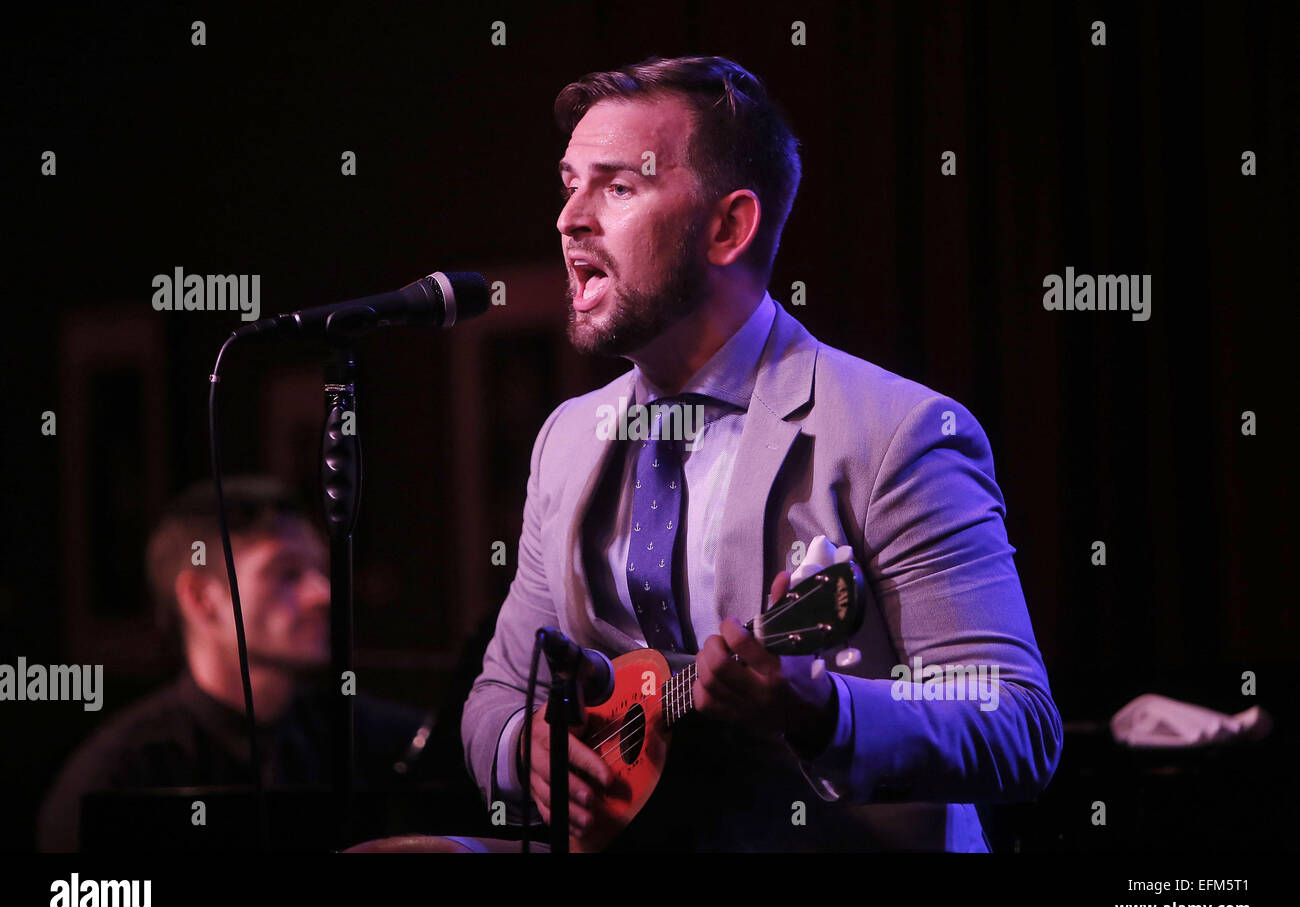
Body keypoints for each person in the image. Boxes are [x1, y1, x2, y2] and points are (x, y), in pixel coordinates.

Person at [461, 55, 1062, 851]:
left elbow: (1016, 722)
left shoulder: (899, 432)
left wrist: (824, 711)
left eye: (616, 187)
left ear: (728, 227)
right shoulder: (568, 438)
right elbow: (497, 694)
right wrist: (523, 749)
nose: (570, 217)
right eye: (568, 183)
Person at [38, 476, 431, 852]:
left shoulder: (367, 737)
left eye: (320, 571)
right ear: (200, 598)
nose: (323, 593)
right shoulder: (119, 777)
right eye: (287, 574)